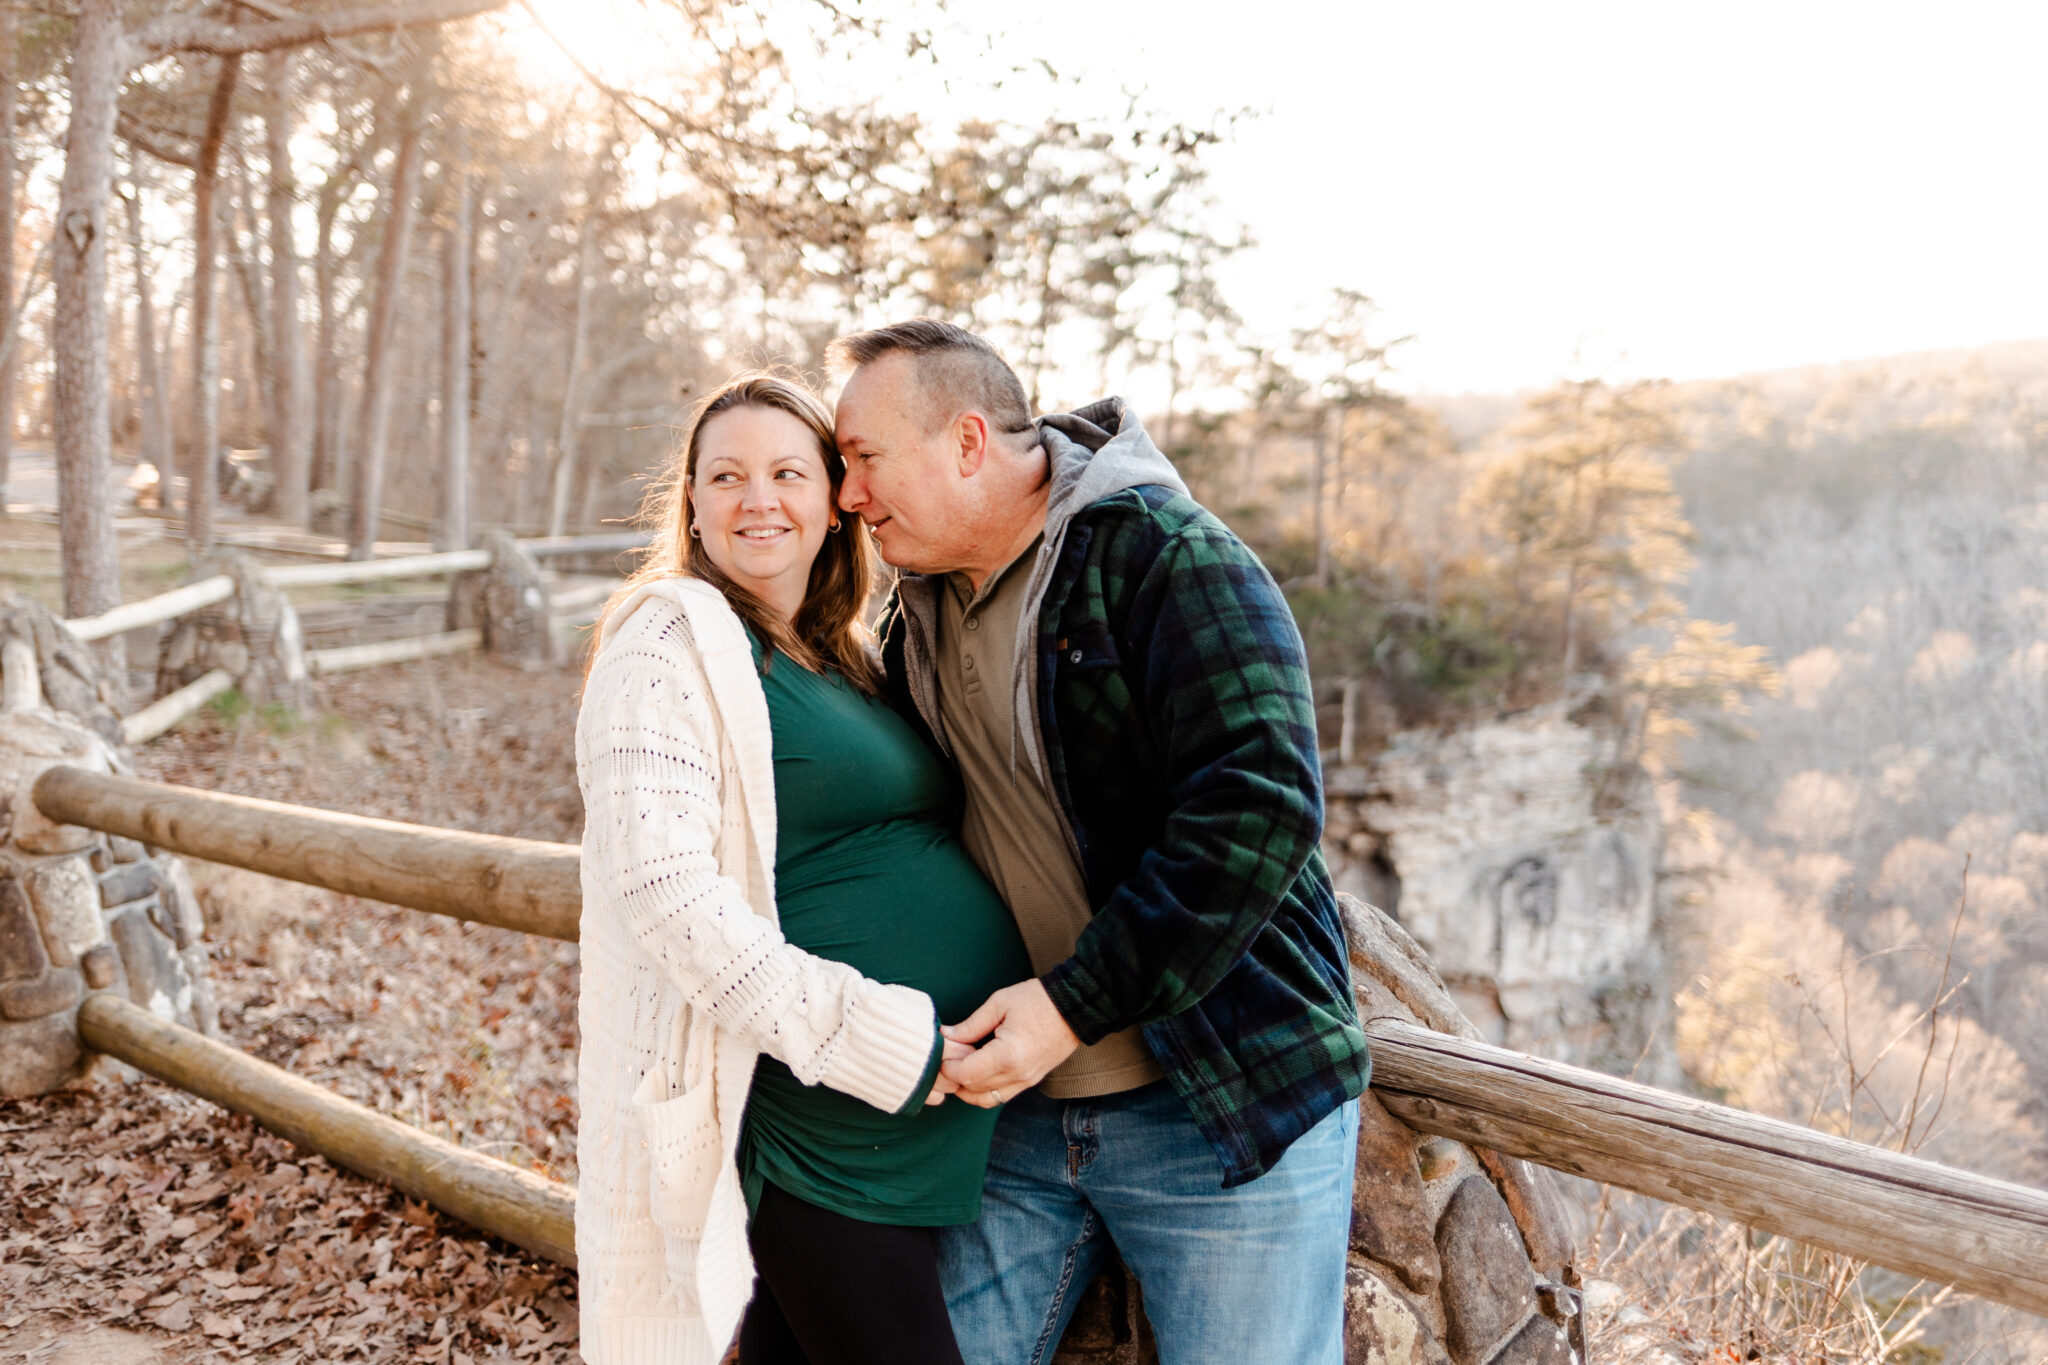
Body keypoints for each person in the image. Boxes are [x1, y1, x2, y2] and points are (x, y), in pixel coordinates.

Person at [830, 321, 1371, 1365]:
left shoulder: (1166, 557)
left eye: (863, 459)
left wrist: (1071, 1007)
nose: (849, 494)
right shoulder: (917, 608)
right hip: (1012, 1111)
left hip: (1215, 1106)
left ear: (968, 442)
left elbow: (1259, 806)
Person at [574, 370, 1033, 1364]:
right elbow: (664, 892)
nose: (758, 499)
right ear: (691, 504)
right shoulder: (664, 643)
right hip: (817, 1115)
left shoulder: (844, 653)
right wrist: (880, 1040)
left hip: (911, 1121)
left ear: (833, 503)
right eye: (726, 475)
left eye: (788, 472)